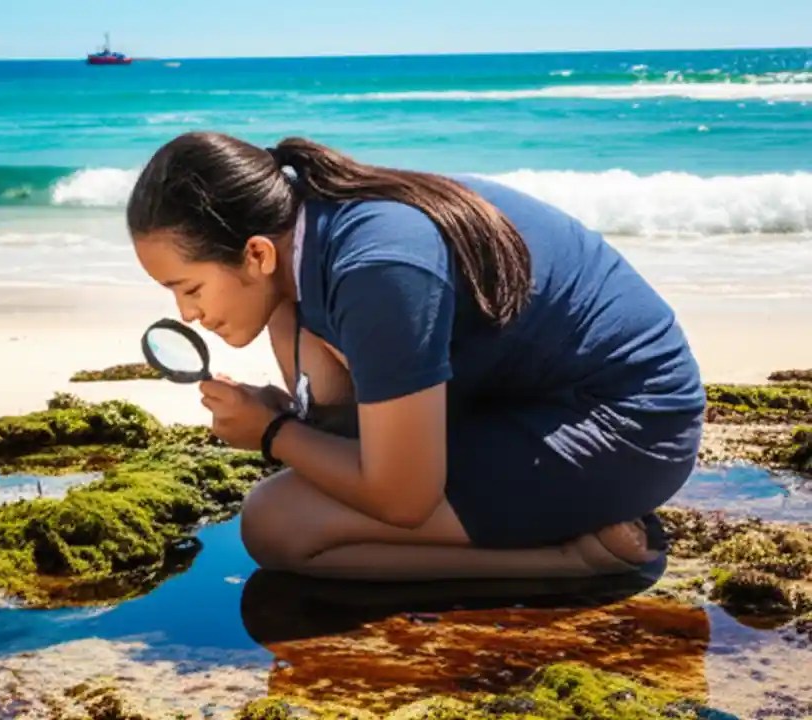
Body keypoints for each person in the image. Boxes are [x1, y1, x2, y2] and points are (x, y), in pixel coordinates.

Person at [126, 131, 705, 580]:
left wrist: (274, 432)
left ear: (255, 253)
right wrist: (305, 423)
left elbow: (402, 499)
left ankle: (570, 561)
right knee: (320, 435)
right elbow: (349, 424)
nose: (187, 314)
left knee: (278, 525)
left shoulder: (376, 269)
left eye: (190, 288)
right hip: (529, 400)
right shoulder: (309, 235)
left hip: (628, 429)